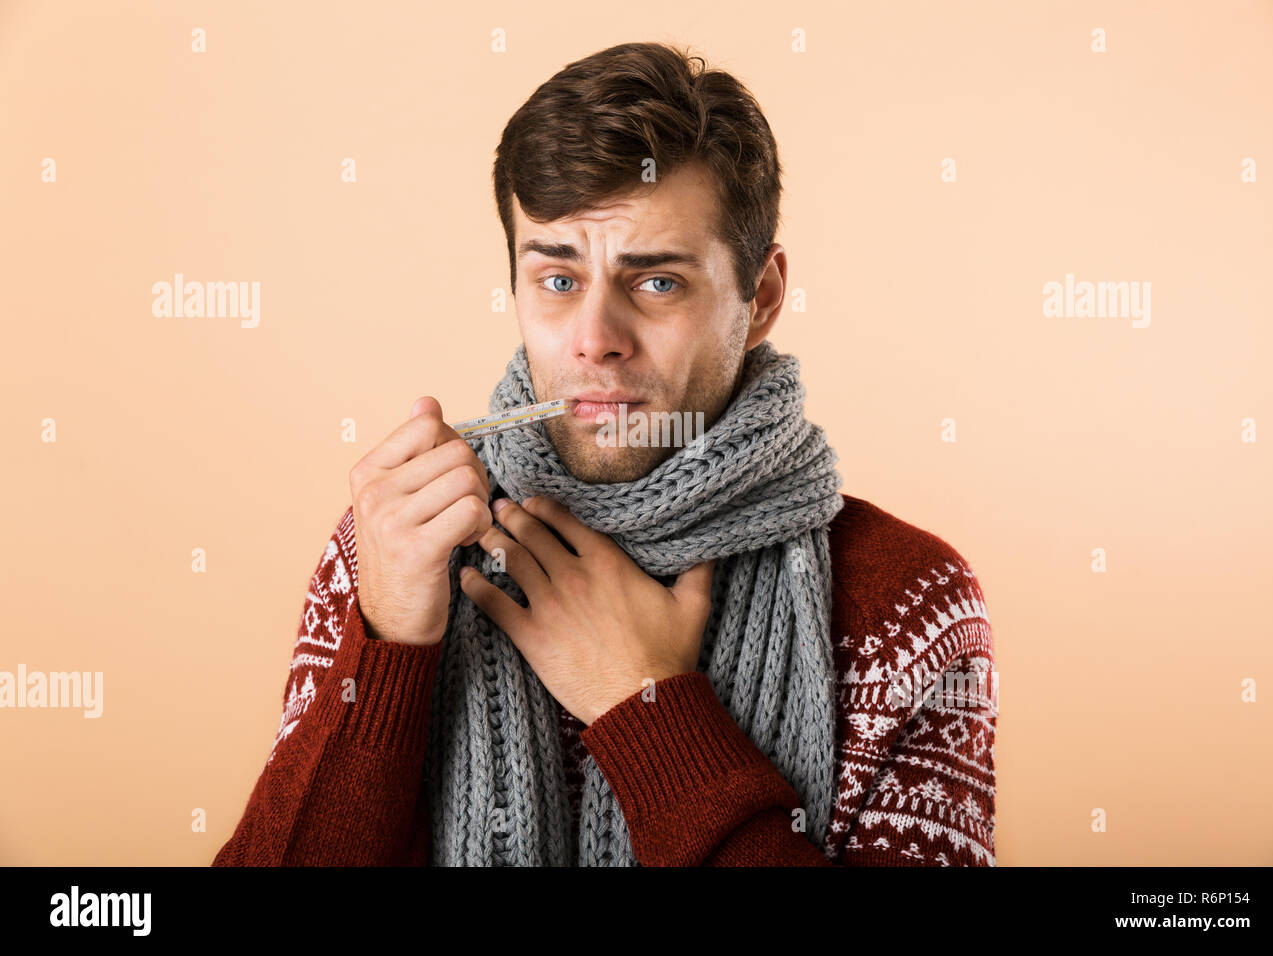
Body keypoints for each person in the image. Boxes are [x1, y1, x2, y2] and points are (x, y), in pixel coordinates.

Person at [212, 41, 996, 867]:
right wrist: (387, 646)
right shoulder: (398, 547)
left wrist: (645, 709)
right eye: (556, 281)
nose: (595, 341)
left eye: (656, 282)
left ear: (759, 298)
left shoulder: (909, 604)